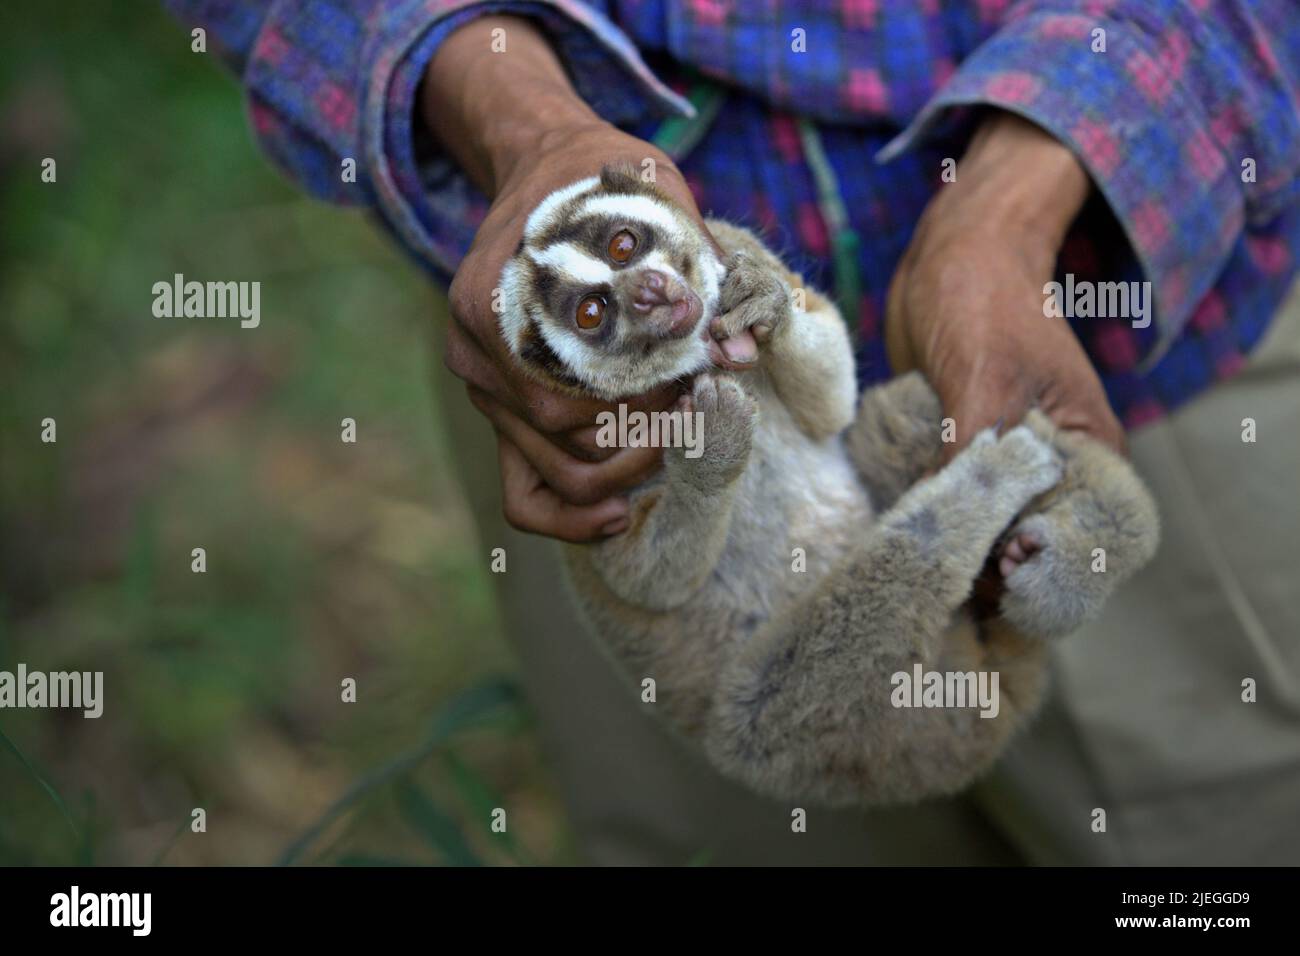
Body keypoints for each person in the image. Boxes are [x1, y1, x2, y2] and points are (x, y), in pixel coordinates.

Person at [169, 0, 1300, 864]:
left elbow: (816, 399)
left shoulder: (717, 311)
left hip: (1132, 277)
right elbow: (659, 576)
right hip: (731, 601)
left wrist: (1006, 213)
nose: (648, 293)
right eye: (600, 308)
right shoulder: (607, 409)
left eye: (623, 257)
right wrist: (510, 119)